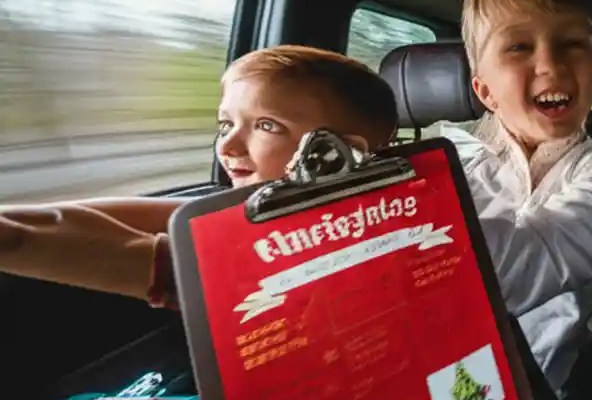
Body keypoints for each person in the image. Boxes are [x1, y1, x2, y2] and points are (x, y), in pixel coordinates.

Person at [0, 45, 399, 306]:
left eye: (266, 126)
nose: (227, 147)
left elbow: (20, 243)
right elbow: (171, 215)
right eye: (226, 124)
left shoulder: (305, 253)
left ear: (336, 154)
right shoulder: (267, 209)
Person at [421, 0, 592, 396]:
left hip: (566, 392)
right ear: (484, 90)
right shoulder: (442, 158)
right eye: (519, 46)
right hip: (448, 377)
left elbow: (534, 256)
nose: (550, 64)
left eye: (573, 43)